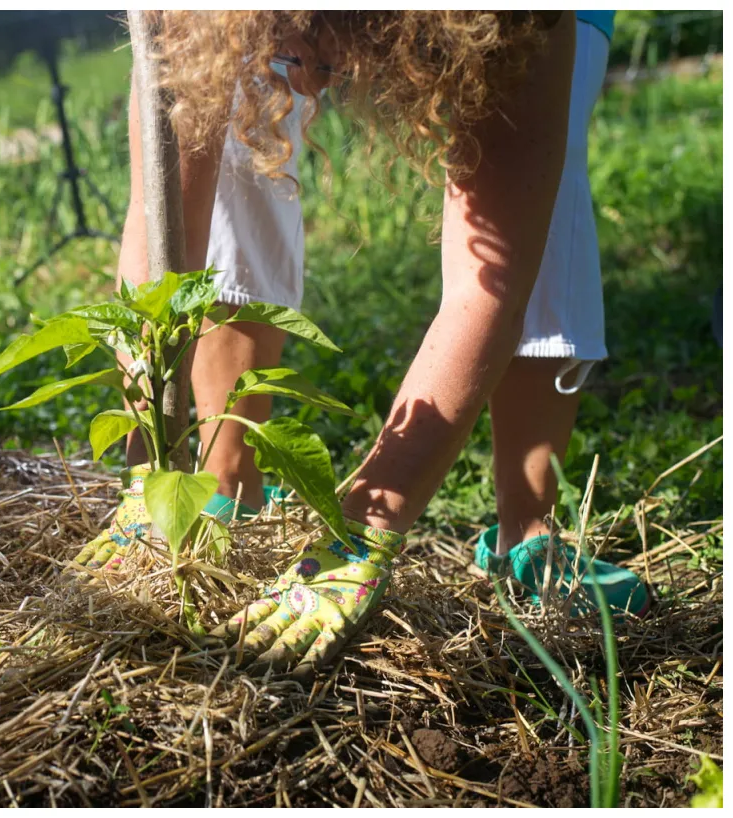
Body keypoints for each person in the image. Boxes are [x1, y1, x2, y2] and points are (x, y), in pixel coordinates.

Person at [75, 11, 648, 676]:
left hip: (491, 25)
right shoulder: (204, 15)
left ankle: (531, 532)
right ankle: (218, 477)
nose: (309, 81)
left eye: (323, 47)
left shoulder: (520, 19)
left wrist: (360, 533)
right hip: (237, 19)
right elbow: (162, 235)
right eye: (286, 40)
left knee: (545, 191)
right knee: (229, 114)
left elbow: (486, 287)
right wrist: (155, 461)